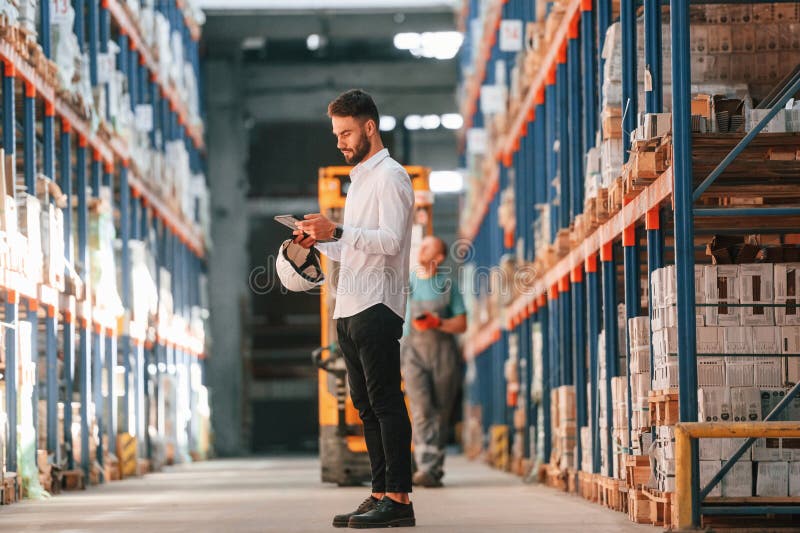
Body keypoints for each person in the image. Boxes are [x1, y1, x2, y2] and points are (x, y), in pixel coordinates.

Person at [293, 89, 416, 529]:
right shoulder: (360, 179)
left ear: (369, 127)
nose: (340, 142)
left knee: (385, 403)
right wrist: (321, 239)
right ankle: (380, 492)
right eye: (336, 135)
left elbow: (392, 242)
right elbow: (354, 249)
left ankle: (400, 499)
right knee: (364, 406)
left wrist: (339, 229)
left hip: (378, 303)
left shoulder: (392, 176)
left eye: (346, 133)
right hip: (349, 306)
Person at [402, 235, 467, 488]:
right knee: (421, 408)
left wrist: (437, 322)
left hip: (443, 354)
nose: (422, 249)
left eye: (429, 246)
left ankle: (434, 466)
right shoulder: (408, 282)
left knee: (440, 411)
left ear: (439, 258)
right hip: (412, 353)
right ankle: (425, 467)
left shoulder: (448, 285)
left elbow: (462, 324)